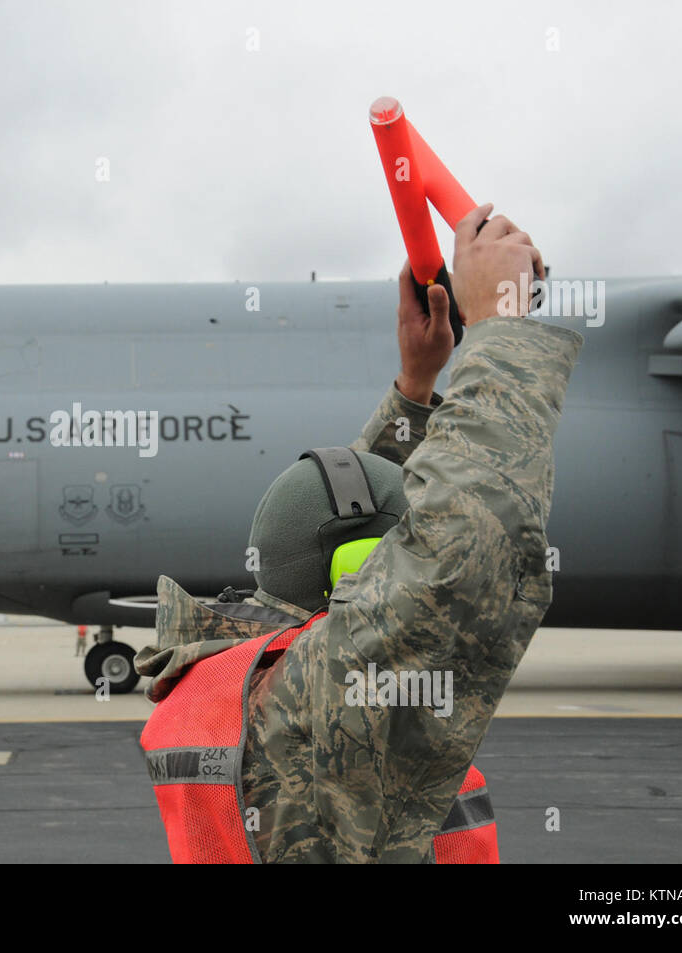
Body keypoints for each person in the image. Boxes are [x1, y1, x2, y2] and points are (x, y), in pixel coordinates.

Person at [136, 204, 583, 863]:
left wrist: (418, 381)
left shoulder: (241, 673)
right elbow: (461, 561)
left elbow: (347, 513)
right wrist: (500, 327)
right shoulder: (328, 696)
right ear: (360, 571)